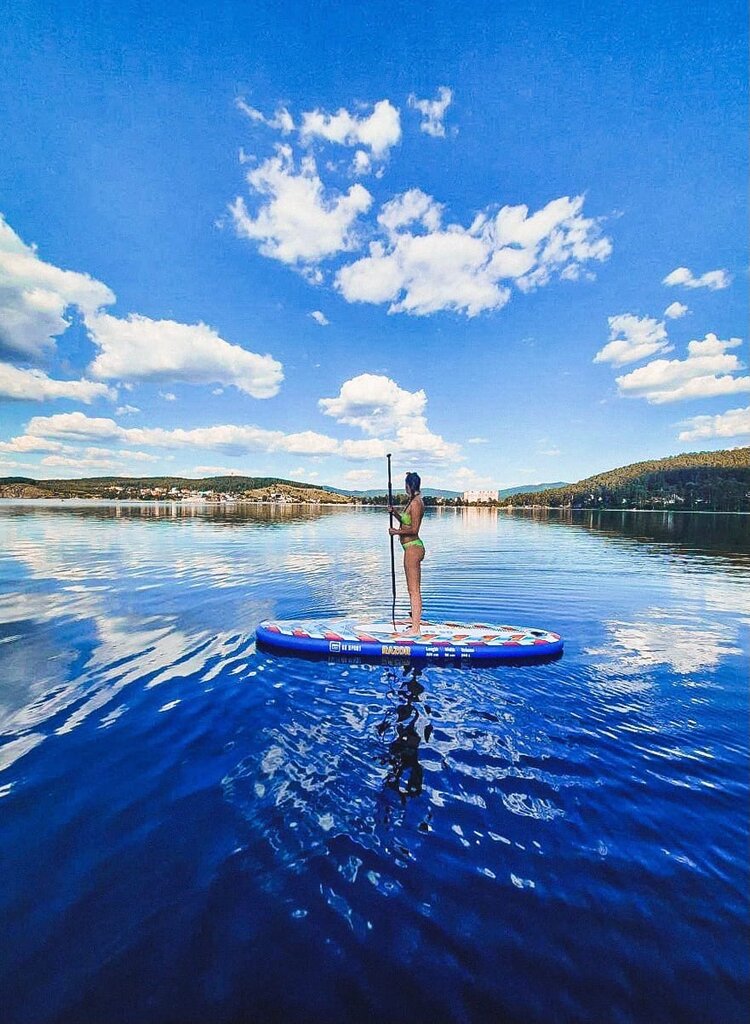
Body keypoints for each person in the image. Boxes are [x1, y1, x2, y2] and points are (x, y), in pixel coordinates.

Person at [388, 471, 425, 636]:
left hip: (413, 548)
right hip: (410, 548)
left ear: (409, 486)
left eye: (405, 485)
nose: (405, 488)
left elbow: (414, 529)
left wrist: (396, 532)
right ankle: (414, 621)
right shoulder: (412, 502)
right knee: (412, 589)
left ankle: (416, 629)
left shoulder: (416, 503)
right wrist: (395, 513)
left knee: (413, 590)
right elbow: (406, 522)